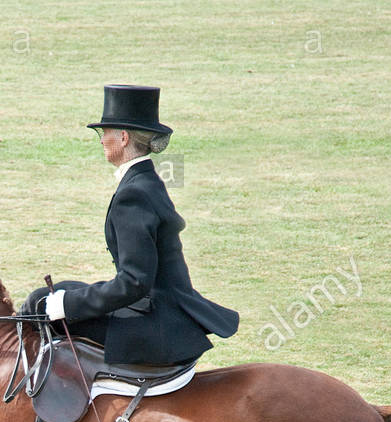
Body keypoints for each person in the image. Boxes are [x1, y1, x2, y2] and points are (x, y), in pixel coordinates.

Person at [25, 84, 239, 366]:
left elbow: (134, 282)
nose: (102, 140)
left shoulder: (133, 194)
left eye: (105, 134)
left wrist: (67, 305)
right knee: (47, 295)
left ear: (123, 137)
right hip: (161, 305)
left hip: (155, 321)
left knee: (40, 308)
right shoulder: (145, 180)